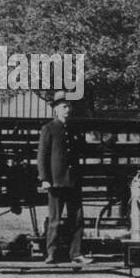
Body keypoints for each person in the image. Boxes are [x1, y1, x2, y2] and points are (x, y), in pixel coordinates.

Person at [37, 90, 92, 265]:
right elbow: (42, 156)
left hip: (73, 181)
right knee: (54, 219)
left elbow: (83, 149)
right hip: (55, 181)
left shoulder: (75, 129)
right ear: (56, 109)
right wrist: (44, 178)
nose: (67, 109)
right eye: (64, 106)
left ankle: (76, 253)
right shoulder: (48, 129)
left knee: (76, 218)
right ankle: (51, 253)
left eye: (69, 106)